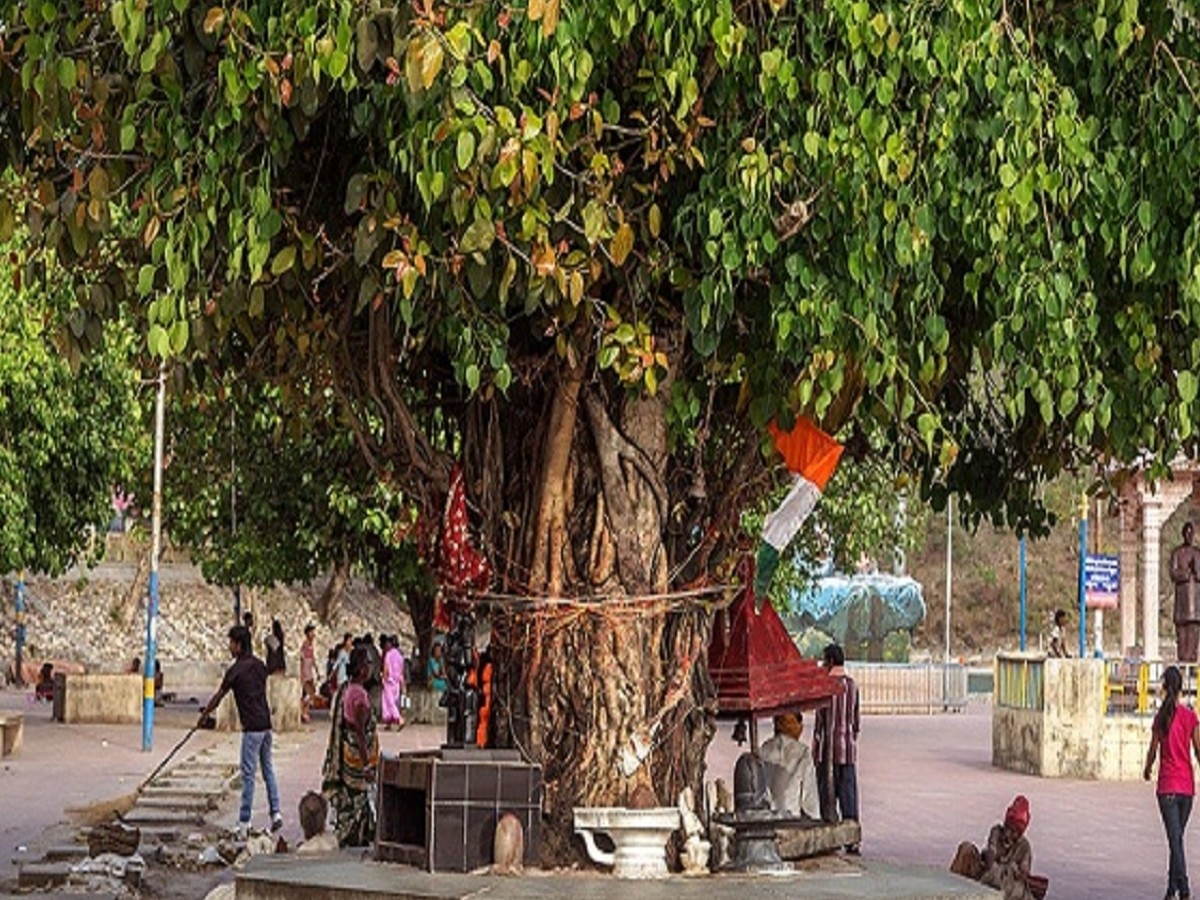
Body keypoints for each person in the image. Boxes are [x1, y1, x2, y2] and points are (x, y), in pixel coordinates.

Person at [198, 625, 283, 839]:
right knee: (267, 770)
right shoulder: (258, 666)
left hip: (252, 729)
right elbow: (273, 666)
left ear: (239, 644)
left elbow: (219, 696)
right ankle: (276, 813)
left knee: (248, 776)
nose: (229, 647)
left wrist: (204, 715)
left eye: (231, 643)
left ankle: (244, 823)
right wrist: (274, 649)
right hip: (265, 726)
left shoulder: (235, 670)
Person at [1145, 665, 1200, 900]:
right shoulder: (1190, 717)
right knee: (1176, 838)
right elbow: (1198, 750)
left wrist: (1147, 769)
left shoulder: (1161, 718)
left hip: (1167, 786)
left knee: (1175, 839)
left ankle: (1184, 888)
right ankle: (1171, 889)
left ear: (1165, 687)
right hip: (1187, 788)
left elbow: (1153, 750)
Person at [321, 646, 380, 847]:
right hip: (357, 760)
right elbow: (361, 734)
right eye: (369, 664)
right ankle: (356, 838)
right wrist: (367, 766)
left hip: (348, 756)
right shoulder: (360, 696)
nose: (371, 668)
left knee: (350, 801)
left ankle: (348, 835)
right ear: (362, 668)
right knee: (360, 803)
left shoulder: (347, 690)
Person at [813, 643, 860, 852]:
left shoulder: (825, 685)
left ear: (830, 661)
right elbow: (856, 722)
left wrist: (816, 753)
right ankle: (852, 840)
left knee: (827, 797)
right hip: (848, 751)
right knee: (849, 797)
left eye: (824, 661)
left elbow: (819, 726)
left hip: (828, 752)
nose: (823, 665)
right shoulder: (852, 685)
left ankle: (830, 839)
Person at [950, 796, 1037, 900]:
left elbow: (1022, 874)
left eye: (1014, 832)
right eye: (1009, 828)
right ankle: (949, 888)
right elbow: (992, 849)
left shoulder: (1024, 846)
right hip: (988, 873)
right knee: (966, 848)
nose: (1009, 834)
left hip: (1007, 885)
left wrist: (1012, 870)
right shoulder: (996, 831)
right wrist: (989, 855)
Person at [758, 712, 820, 819]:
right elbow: (811, 806)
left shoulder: (763, 749)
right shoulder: (803, 753)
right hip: (790, 825)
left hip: (764, 822)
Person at [1171, 524, 1200, 662]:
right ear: (1183, 534)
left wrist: (1196, 567)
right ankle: (1182, 662)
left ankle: (1192, 663)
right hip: (1182, 601)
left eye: (1191, 533)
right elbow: (1173, 573)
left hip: (1195, 602)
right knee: (1181, 636)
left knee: (1193, 635)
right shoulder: (1177, 553)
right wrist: (1186, 574)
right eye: (1187, 533)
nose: (1189, 536)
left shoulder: (1197, 553)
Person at [381, 635, 406, 731]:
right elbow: (401, 671)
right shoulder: (400, 656)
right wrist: (403, 684)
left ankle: (399, 719)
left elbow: (386, 668)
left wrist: (384, 677)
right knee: (393, 703)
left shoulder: (388, 654)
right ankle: (389, 723)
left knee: (389, 703)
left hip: (389, 682)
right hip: (397, 683)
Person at [300, 624, 318, 723]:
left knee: (310, 693)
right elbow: (302, 660)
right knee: (307, 693)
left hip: (310, 672)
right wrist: (302, 674)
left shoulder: (311, 646)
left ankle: (305, 711)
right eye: (311, 632)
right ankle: (303, 712)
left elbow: (312, 659)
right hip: (306, 672)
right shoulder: (305, 645)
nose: (313, 634)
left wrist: (316, 670)